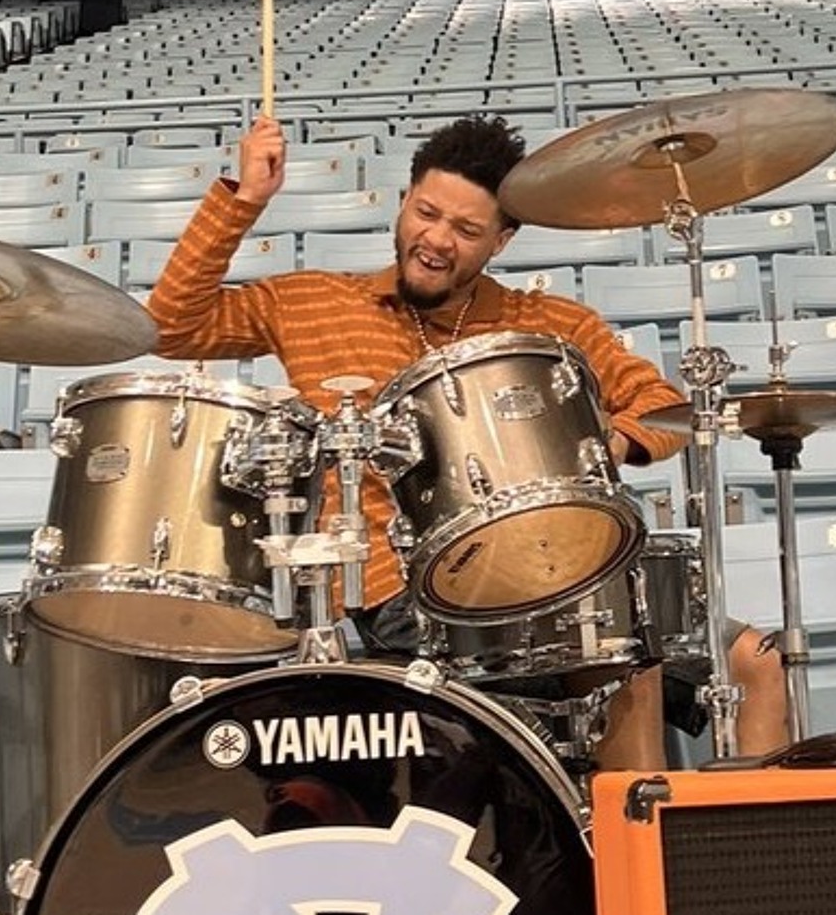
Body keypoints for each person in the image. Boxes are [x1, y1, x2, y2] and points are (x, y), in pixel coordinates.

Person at [146, 113, 788, 767]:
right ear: (404, 202)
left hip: (555, 570)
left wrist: (610, 444)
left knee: (755, 662)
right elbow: (169, 326)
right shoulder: (311, 302)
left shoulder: (548, 324)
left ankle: (738, 835)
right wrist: (246, 198)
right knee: (620, 654)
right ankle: (629, 827)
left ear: (501, 241)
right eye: (426, 213)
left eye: (466, 230)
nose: (436, 239)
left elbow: (664, 406)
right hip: (403, 592)